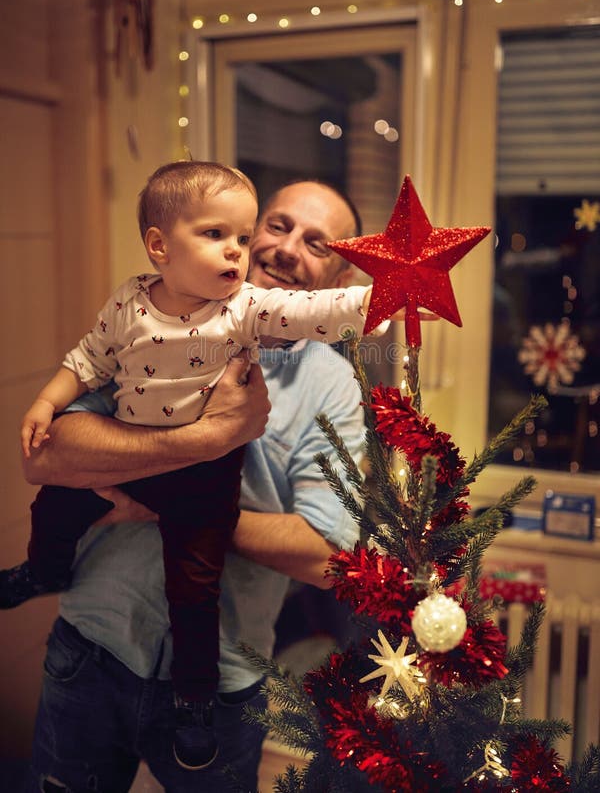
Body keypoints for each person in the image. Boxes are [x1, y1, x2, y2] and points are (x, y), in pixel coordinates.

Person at [4, 163, 380, 772]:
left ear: (339, 273)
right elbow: (48, 454)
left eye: (315, 243)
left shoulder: (333, 386)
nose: (285, 248)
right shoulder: (147, 313)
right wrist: (211, 438)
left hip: (222, 688)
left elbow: (329, 556)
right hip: (91, 648)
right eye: (276, 226)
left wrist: (178, 505)